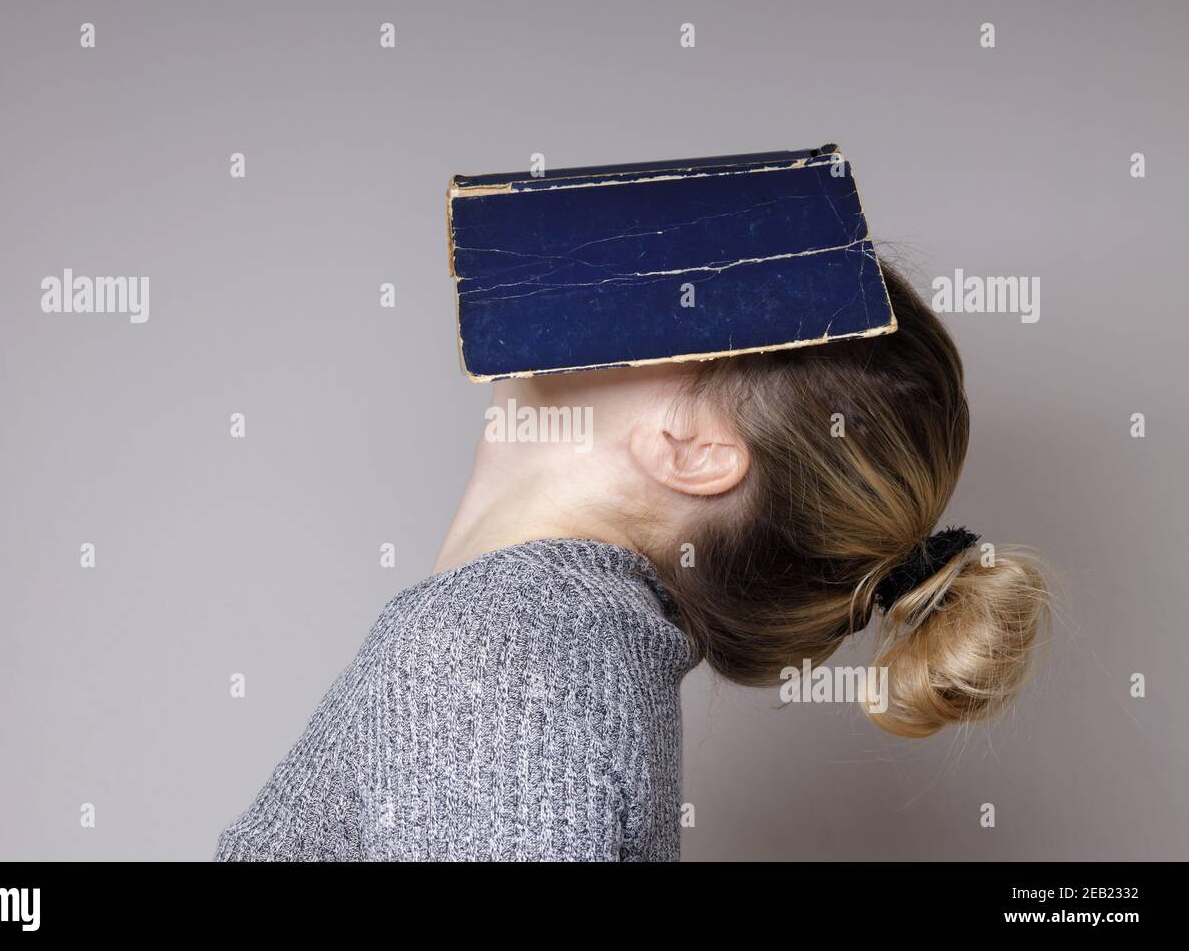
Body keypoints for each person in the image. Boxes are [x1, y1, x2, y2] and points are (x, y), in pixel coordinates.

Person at [214, 262, 1048, 861]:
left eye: (684, 297)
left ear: (692, 448)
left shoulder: (503, 653)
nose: (626, 275)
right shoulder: (541, 640)